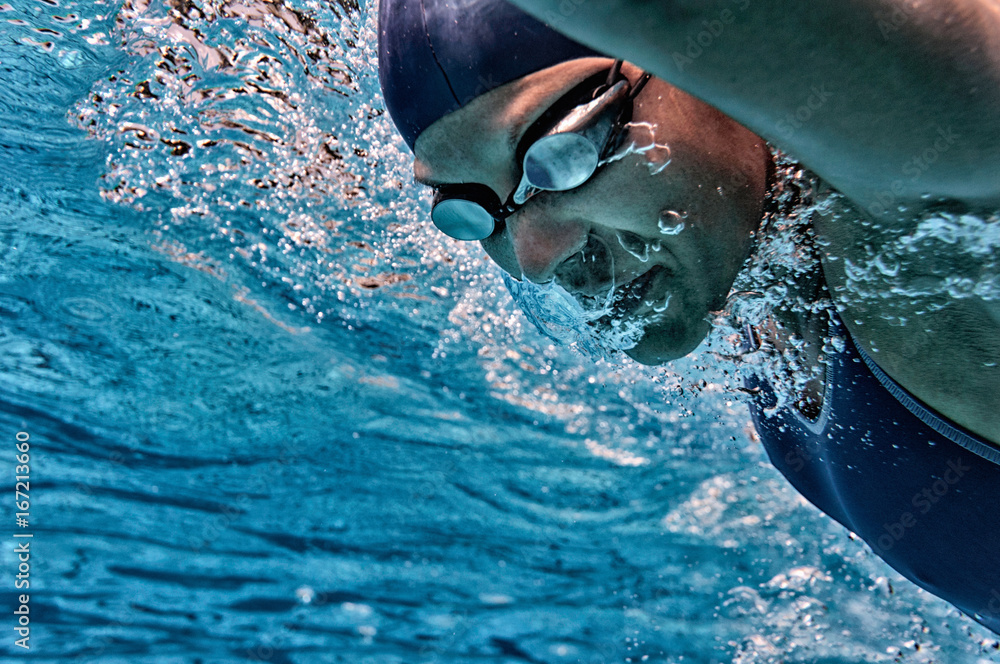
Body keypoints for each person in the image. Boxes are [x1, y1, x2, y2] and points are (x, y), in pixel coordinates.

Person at [377, 0, 1000, 634]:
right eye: (475, 209)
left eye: (563, 147)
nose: (535, 258)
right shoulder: (760, 295)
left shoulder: (925, 249)